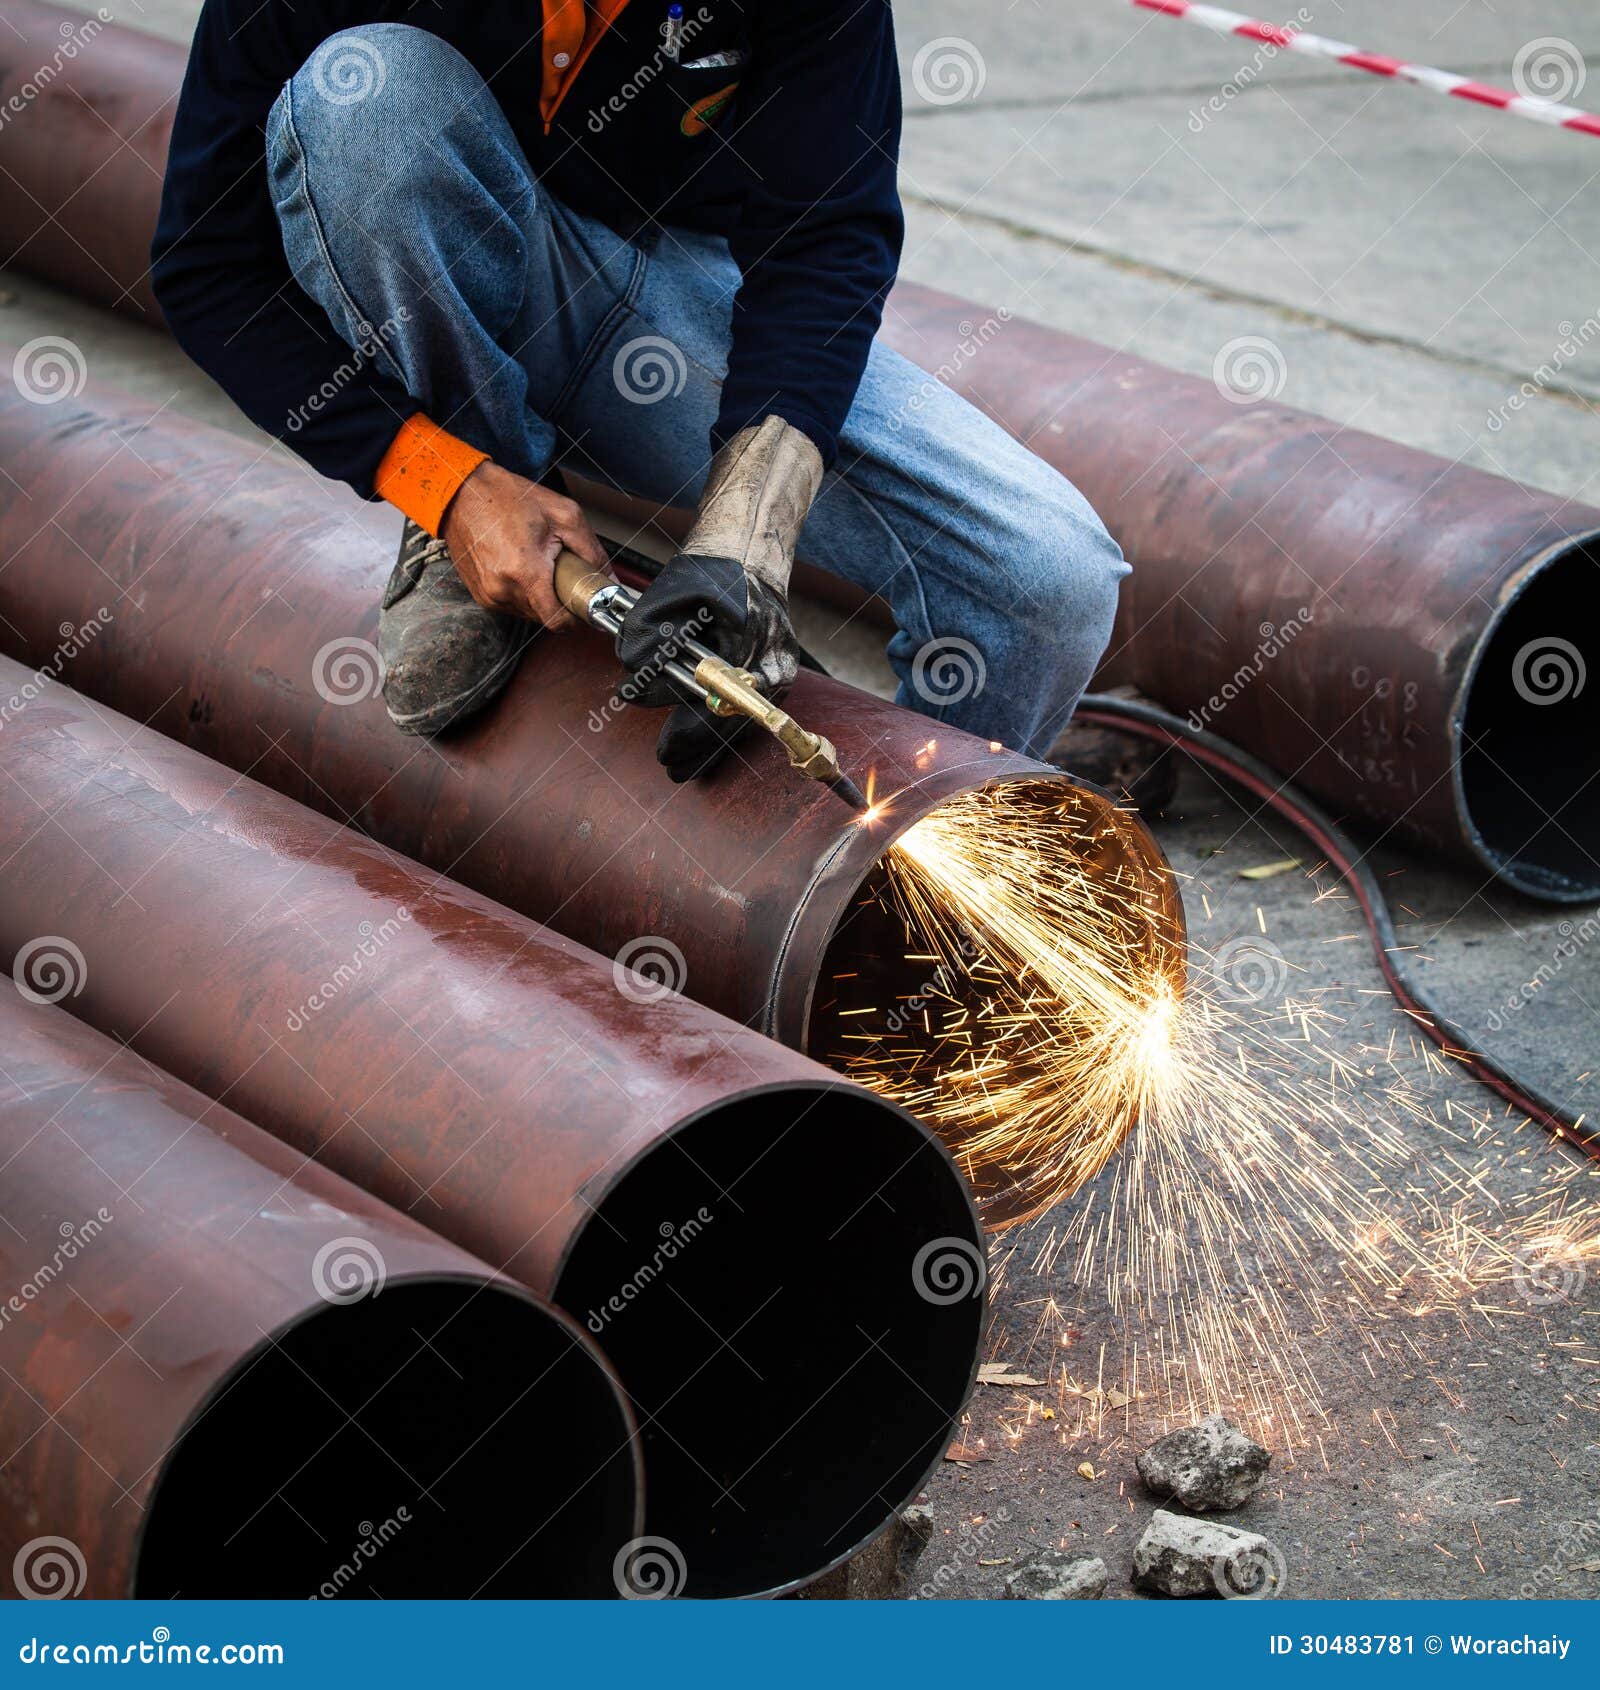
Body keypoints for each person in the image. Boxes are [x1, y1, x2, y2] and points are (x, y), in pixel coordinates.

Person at [153, 1, 1128, 784]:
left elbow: (823, 239)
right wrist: (443, 481)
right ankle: (479, 498)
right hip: (447, 291)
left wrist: (745, 542)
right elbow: (209, 266)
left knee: (1045, 574)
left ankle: (909, 878)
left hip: (674, 305)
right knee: (367, 97)